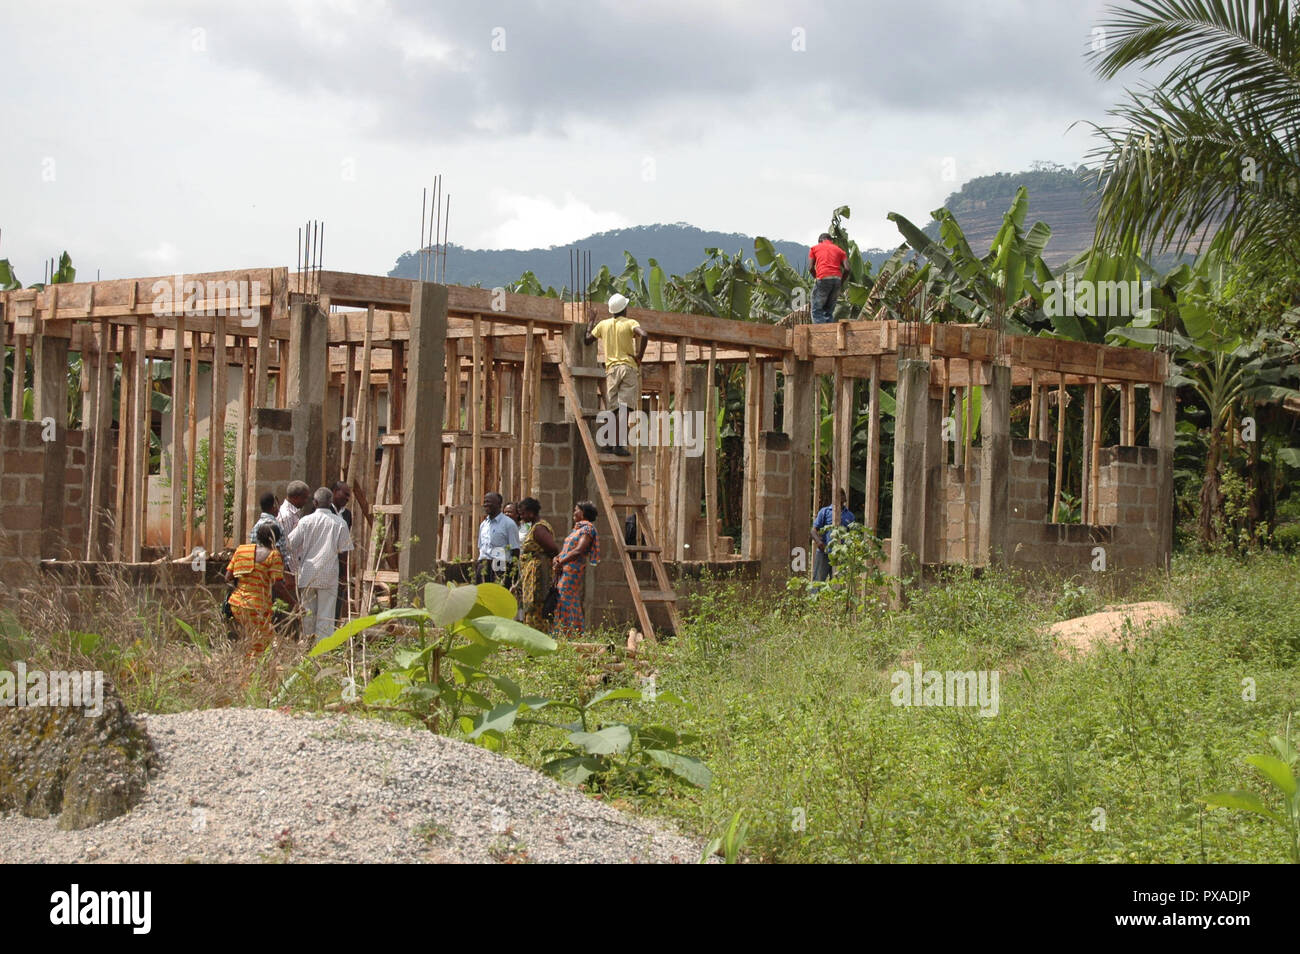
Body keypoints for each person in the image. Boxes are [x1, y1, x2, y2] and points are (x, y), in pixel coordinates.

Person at [287, 487, 354, 643]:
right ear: (330, 502)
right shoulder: (340, 523)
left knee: (308, 615)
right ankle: (322, 653)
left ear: (315, 502)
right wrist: (343, 574)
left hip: (308, 574)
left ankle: (307, 648)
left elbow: (289, 544)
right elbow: (344, 553)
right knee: (326, 616)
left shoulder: (305, 521)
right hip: (329, 574)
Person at [585, 293, 648, 456]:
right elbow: (644, 334)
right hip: (627, 368)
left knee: (612, 408)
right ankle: (619, 445)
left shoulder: (604, 325)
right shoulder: (630, 323)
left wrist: (591, 319)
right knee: (624, 408)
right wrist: (639, 356)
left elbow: (587, 339)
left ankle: (607, 443)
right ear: (625, 309)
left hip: (611, 370)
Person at [225, 524, 295, 655]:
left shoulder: (242, 550)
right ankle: (251, 671)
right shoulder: (273, 555)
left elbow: (228, 576)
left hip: (236, 604)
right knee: (262, 642)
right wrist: (293, 603)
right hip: (257, 606)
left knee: (255, 639)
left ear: (257, 536)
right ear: (276, 539)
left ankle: (246, 668)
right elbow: (278, 586)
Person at [552, 500, 600, 638]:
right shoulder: (577, 530)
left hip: (572, 572)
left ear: (583, 512)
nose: (574, 513)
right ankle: (570, 633)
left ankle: (570, 633)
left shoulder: (587, 529)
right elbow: (567, 550)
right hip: (565, 570)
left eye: (576, 510)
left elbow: (578, 550)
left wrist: (561, 561)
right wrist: (558, 558)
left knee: (565, 599)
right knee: (566, 599)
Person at [517, 497, 560, 630]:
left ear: (531, 512)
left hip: (538, 574)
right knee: (531, 606)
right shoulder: (534, 527)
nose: (522, 517)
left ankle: (538, 635)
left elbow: (553, 549)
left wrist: (543, 562)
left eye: (523, 513)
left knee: (537, 605)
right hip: (533, 571)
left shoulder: (539, 529)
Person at [476, 492, 520, 584]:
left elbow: (515, 550)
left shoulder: (508, 524)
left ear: (499, 504)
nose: (486, 504)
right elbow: (481, 548)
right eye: (485, 502)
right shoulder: (483, 525)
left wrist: (512, 573)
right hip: (483, 564)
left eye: (489, 502)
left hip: (499, 564)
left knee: (497, 594)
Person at [813, 489, 855, 583]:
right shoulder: (825, 512)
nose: (841, 497)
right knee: (817, 582)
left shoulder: (850, 516)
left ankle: (836, 598)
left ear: (845, 498)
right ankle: (815, 597)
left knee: (838, 583)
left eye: (842, 495)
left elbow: (852, 535)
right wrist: (819, 543)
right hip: (823, 553)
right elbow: (813, 530)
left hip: (840, 555)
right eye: (838, 495)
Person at [808, 233, 849, 324]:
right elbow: (847, 269)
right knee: (829, 311)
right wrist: (841, 282)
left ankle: (822, 334)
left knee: (817, 310)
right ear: (831, 241)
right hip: (837, 280)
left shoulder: (814, 249)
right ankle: (830, 333)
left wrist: (817, 278)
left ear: (820, 241)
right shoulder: (840, 251)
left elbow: (810, 268)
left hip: (823, 277)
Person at [331, 481, 353, 623]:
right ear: (334, 492)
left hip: (339, 566)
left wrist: (344, 572)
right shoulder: (324, 511)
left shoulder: (347, 515)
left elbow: (345, 546)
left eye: (348, 496)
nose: (347, 498)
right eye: (344, 494)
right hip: (324, 566)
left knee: (337, 605)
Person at [277, 481, 311, 566]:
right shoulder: (286, 516)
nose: (306, 501)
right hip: (290, 567)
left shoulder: (293, 514)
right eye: (304, 498)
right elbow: (286, 546)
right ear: (296, 497)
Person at [250, 492, 287, 562]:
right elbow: (277, 549)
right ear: (274, 506)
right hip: (272, 567)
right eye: (277, 505)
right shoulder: (274, 525)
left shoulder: (256, 525)